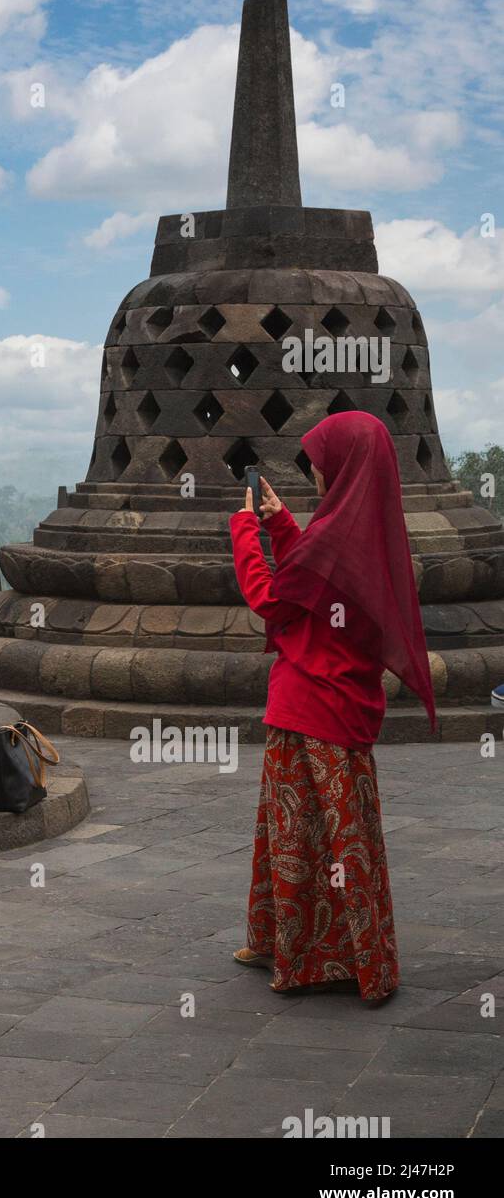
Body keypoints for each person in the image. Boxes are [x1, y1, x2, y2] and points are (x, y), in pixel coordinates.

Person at [227, 411, 437, 1004]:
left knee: (297, 836)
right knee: (340, 839)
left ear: (343, 467)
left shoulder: (335, 538)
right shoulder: (362, 533)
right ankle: (347, 951)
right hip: (342, 708)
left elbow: (275, 600)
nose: (316, 474)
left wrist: (245, 530)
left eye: (321, 464)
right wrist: (285, 526)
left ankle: (304, 957)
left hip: (309, 709)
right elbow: (315, 589)